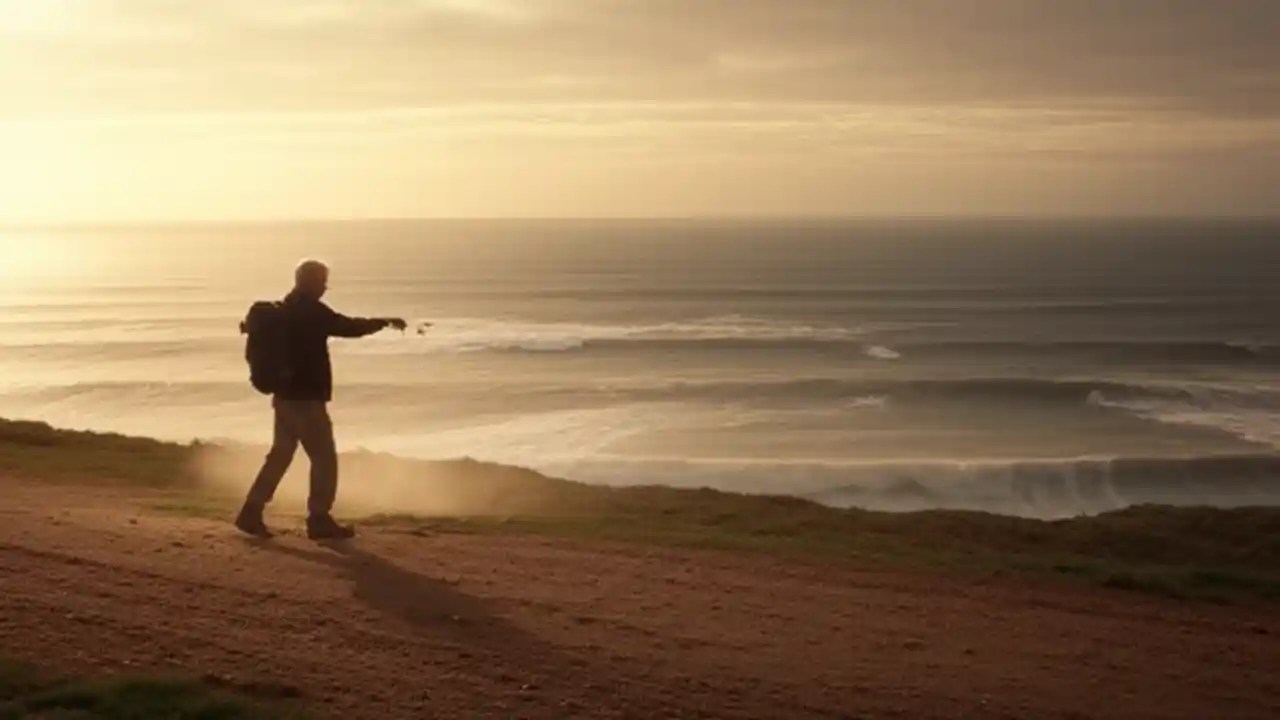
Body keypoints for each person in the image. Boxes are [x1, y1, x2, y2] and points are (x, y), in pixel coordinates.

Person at [235, 259, 407, 540]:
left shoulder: (282, 310)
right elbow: (349, 327)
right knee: (324, 459)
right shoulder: (311, 312)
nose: (326, 287)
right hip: (306, 401)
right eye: (322, 281)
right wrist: (384, 322)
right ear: (311, 282)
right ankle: (319, 519)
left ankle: (250, 512)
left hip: (283, 398)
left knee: (279, 457)